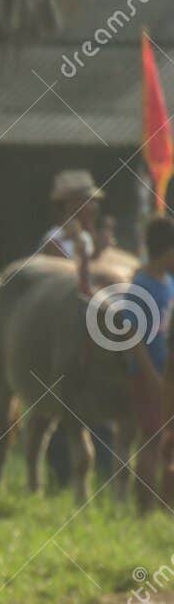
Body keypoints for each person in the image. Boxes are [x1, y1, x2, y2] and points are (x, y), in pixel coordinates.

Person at [125, 217, 174, 510]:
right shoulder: (141, 286)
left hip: (167, 376)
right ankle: (143, 506)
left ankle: (165, 502)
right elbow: (132, 338)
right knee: (151, 438)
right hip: (148, 377)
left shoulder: (168, 282)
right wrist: (152, 377)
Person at [38, 169, 103, 261]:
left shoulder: (86, 236)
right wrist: (77, 240)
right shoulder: (54, 240)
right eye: (88, 200)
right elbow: (74, 274)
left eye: (94, 201)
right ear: (71, 204)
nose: (95, 207)